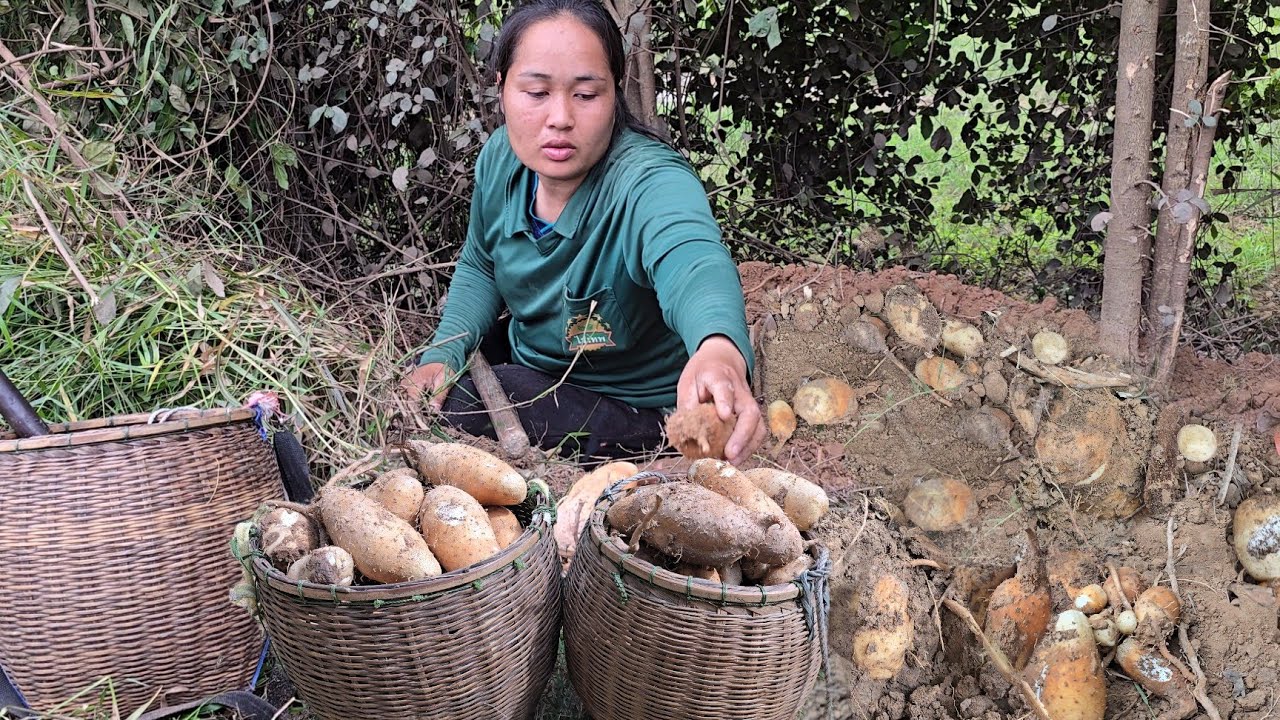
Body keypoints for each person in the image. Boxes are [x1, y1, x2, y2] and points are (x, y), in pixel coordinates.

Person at [401, 0, 764, 465]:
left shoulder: (648, 181)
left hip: (637, 405)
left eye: (586, 95)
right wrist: (444, 353)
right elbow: (480, 264)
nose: (560, 119)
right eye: (535, 93)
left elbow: (693, 259)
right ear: (502, 90)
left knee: (468, 406)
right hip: (538, 358)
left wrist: (719, 351)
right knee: (431, 374)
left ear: (615, 93)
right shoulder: (501, 160)